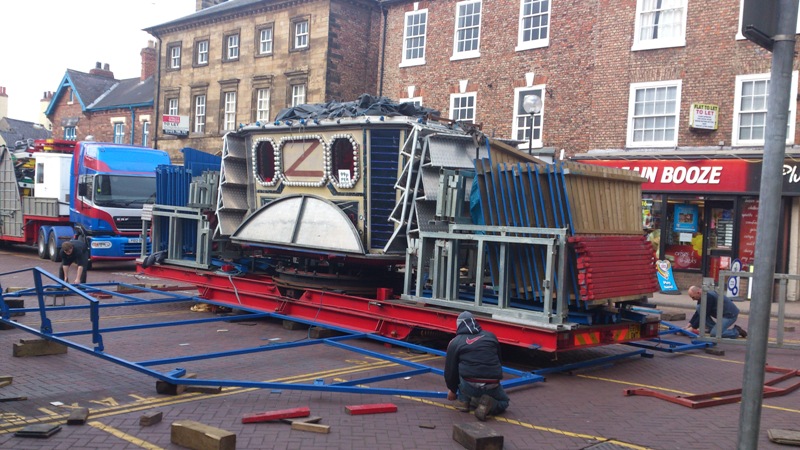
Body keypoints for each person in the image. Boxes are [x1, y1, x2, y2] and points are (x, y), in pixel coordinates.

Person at [444, 311, 509, 421]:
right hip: (492, 383)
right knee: (504, 402)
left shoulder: (455, 342)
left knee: (460, 367)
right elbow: (499, 360)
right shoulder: (491, 336)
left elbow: (450, 371)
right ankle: (490, 404)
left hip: (469, 384)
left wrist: (452, 390)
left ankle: (463, 401)